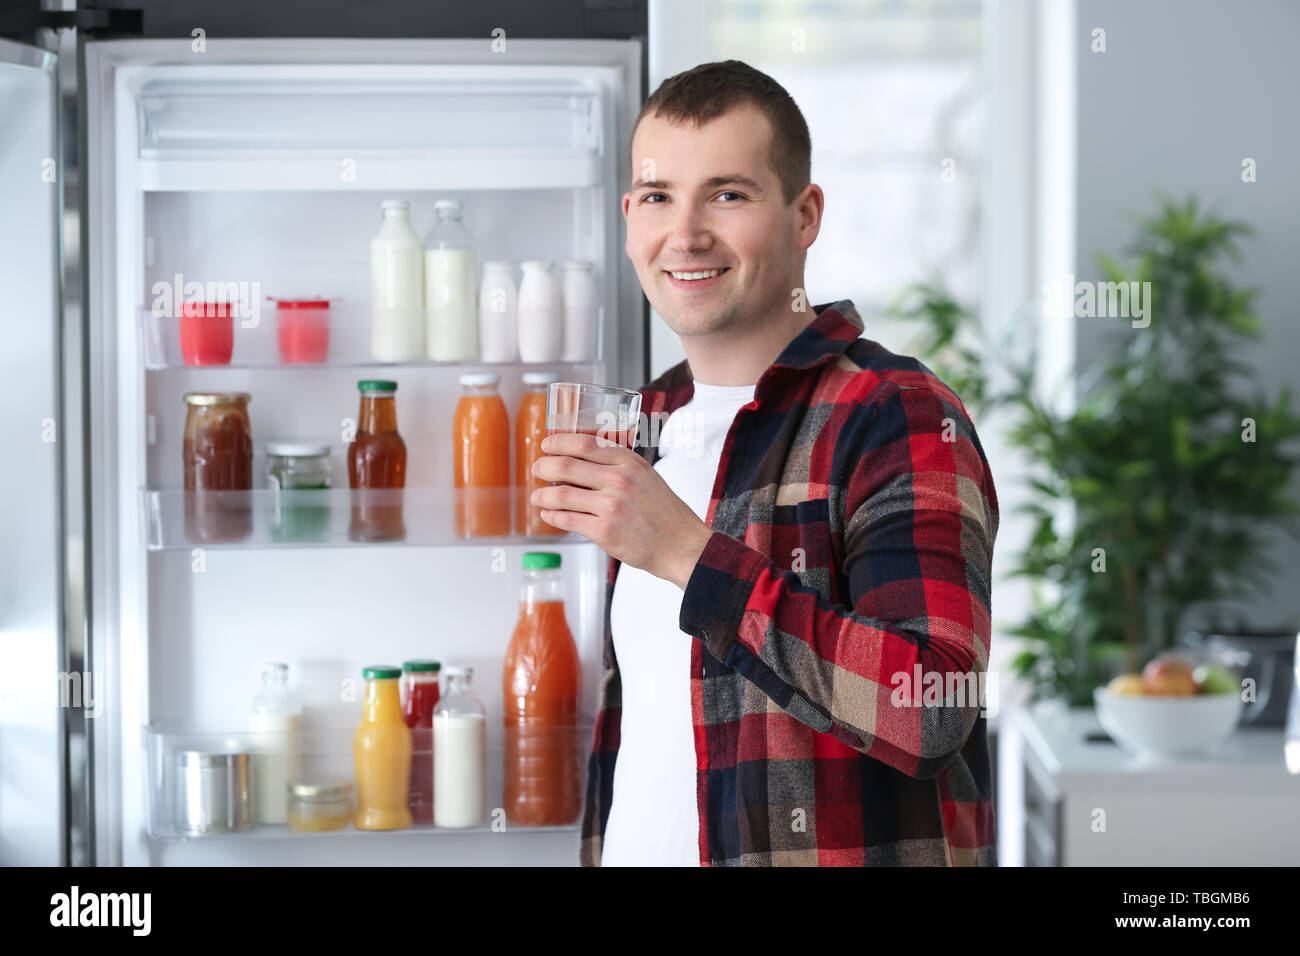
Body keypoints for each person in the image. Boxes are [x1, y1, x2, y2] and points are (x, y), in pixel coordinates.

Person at [531, 60, 999, 866]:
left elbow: (933, 708)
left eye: (728, 194)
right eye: (658, 197)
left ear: (804, 214)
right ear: (629, 217)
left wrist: (685, 554)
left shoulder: (898, 413)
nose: (686, 234)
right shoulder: (645, 422)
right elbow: (650, 724)